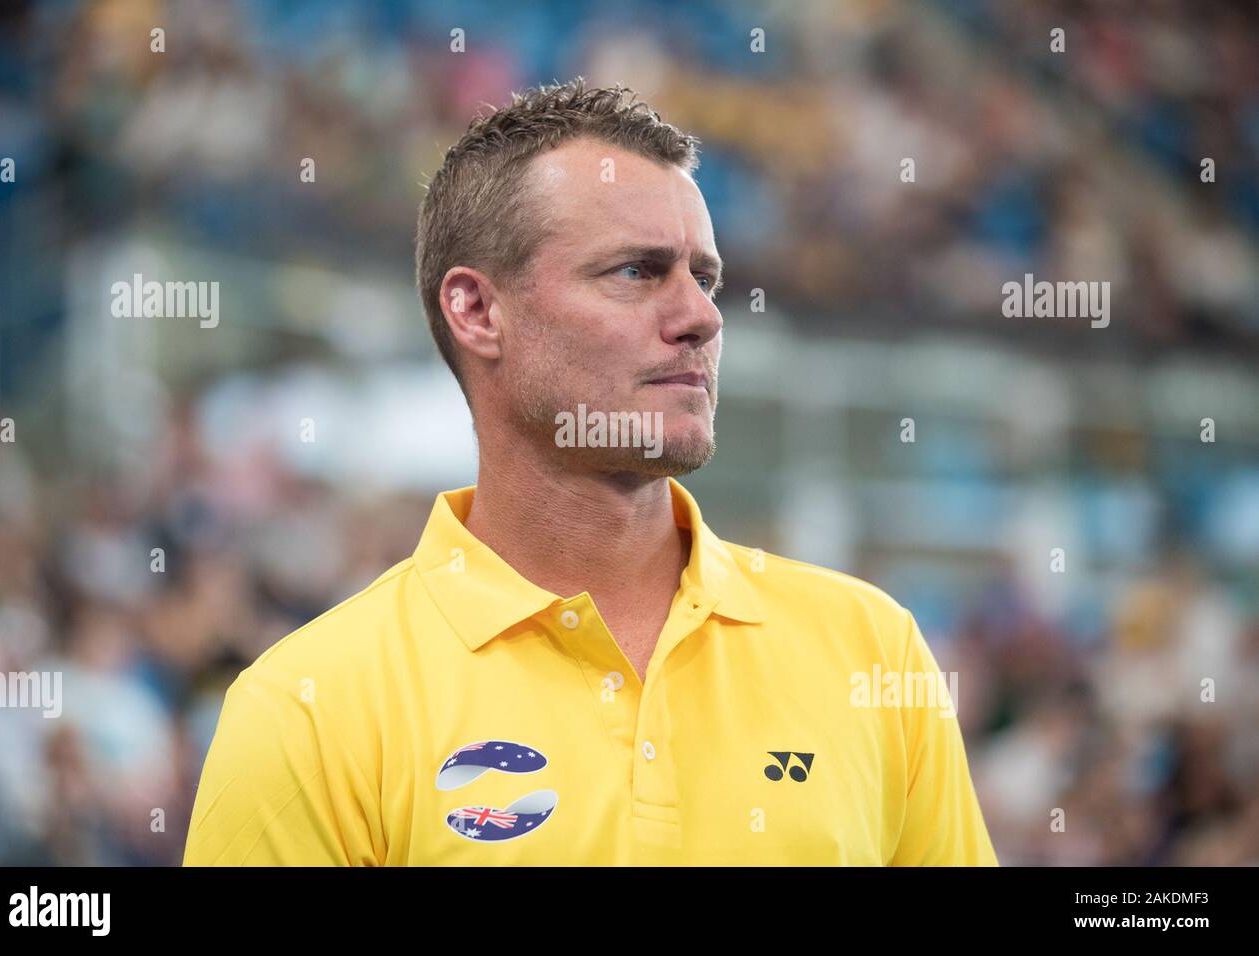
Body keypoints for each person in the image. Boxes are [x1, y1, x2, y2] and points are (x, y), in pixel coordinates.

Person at [183, 78, 998, 866]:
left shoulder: (871, 650)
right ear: (477, 310)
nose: (702, 317)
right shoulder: (309, 709)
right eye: (636, 272)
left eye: (704, 277)